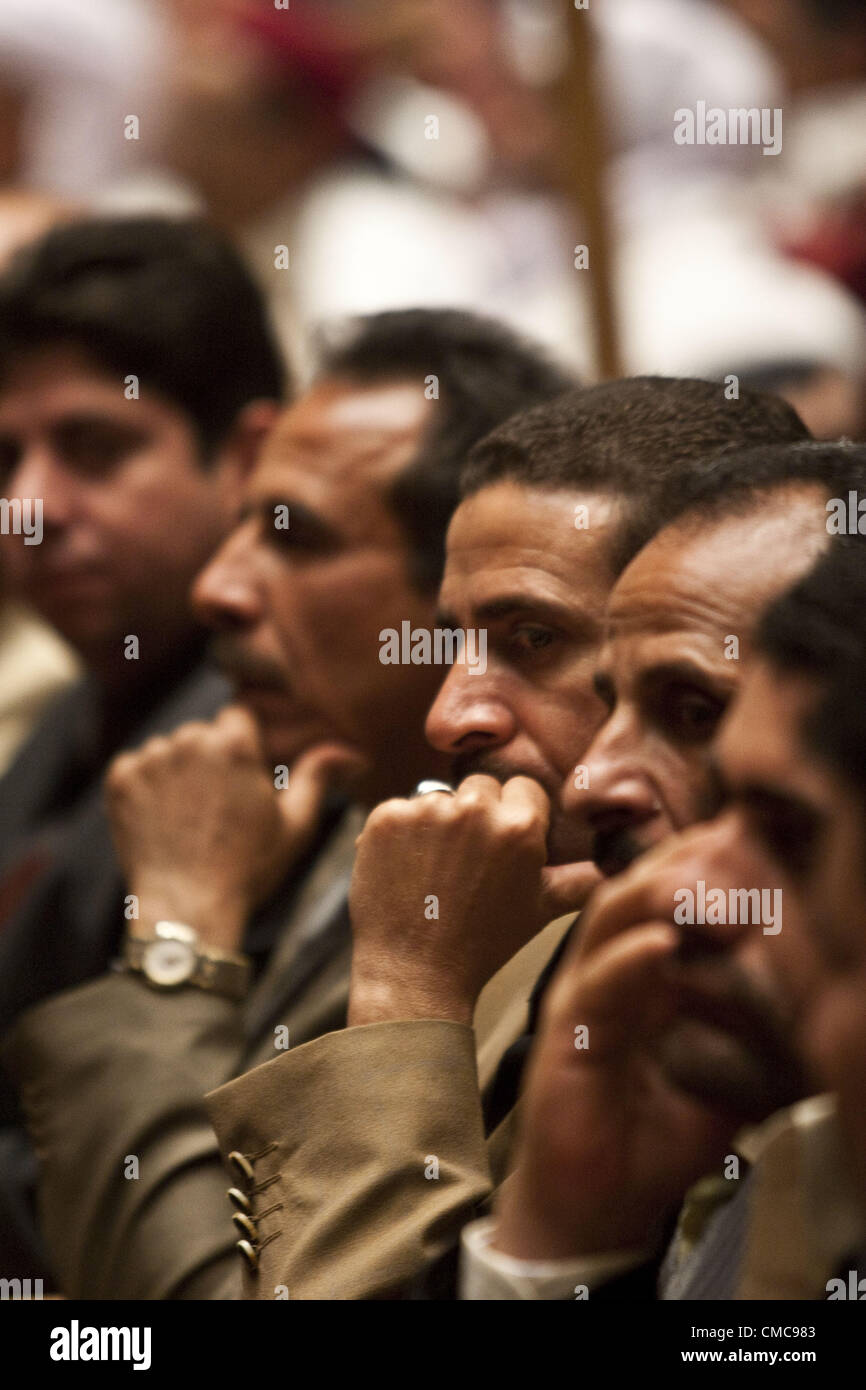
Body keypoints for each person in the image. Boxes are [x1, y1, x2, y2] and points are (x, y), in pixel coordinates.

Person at [1, 307, 575, 1298]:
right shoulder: (308, 796)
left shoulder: (554, 928)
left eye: (291, 538)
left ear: (454, 588)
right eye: (239, 527)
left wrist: (176, 944)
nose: (217, 589)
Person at [200, 379, 811, 1299]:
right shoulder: (529, 932)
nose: (449, 716)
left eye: (532, 637)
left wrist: (403, 997)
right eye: (453, 640)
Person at [460, 441, 866, 1299]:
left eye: (693, 713)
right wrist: (557, 1249)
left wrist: (401, 1000)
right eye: (611, 704)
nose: (589, 783)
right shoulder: (658, 1067)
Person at [0, 213, 285, 1279]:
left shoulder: (278, 736)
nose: (29, 509)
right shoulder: (80, 712)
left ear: (247, 454)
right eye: (6, 458)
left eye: (95, 448)